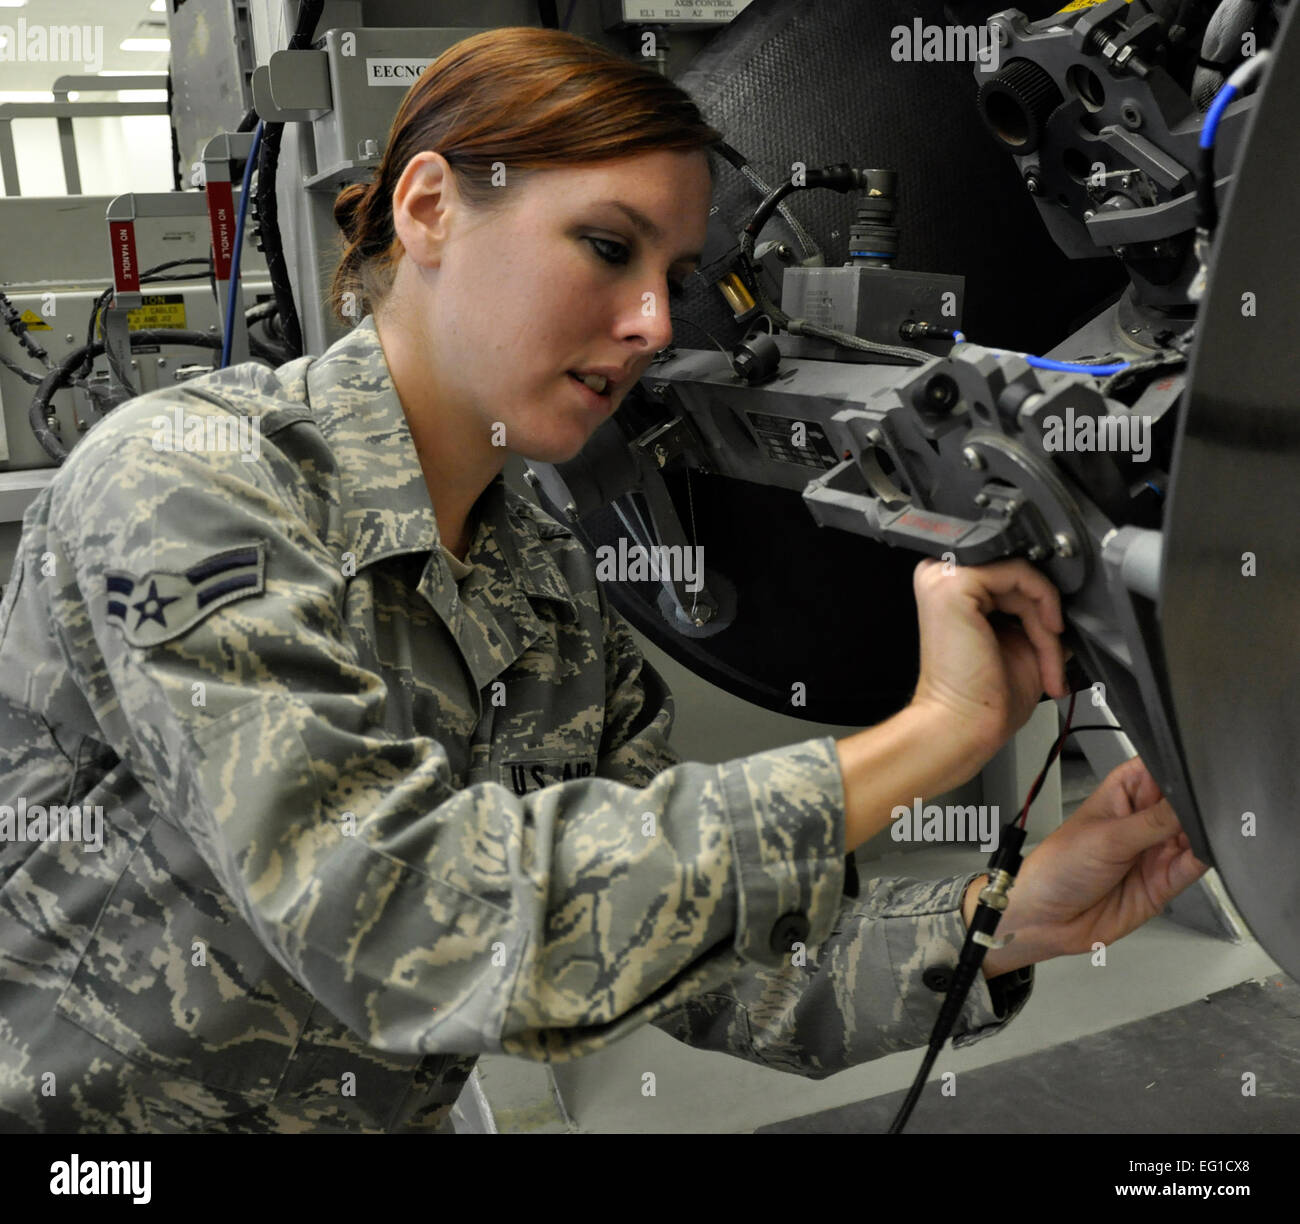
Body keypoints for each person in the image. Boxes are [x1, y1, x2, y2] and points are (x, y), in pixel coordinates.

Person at [0, 26, 1206, 1134]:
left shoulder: (541, 586)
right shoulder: (185, 482)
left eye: (672, 273)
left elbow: (686, 952)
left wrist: (998, 921)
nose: (646, 321)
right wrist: (929, 738)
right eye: (604, 245)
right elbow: (398, 925)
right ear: (429, 208)